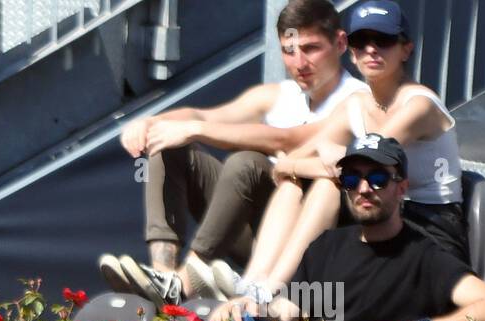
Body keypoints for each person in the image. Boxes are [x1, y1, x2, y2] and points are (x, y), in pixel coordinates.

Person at [102, 0, 366, 305]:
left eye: (311, 48)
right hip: (262, 236)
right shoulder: (278, 95)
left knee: (248, 163)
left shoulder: (358, 99)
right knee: (168, 144)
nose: (299, 62)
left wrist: (196, 129)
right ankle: (163, 276)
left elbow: (288, 139)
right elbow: (203, 116)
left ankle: (184, 283)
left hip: (311, 245)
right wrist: (149, 122)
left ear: (341, 43)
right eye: (289, 51)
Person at [214, 0, 468, 307]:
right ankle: (254, 283)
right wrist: (318, 156)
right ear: (351, 51)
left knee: (327, 186)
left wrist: (330, 157)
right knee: (295, 181)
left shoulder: (419, 104)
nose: (371, 50)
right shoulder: (356, 104)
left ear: (406, 49)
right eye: (362, 42)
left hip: (429, 227)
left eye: (384, 41)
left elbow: (370, 162)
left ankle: (274, 289)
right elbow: (286, 163)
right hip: (381, 209)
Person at [211, 136, 485, 321]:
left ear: (401, 188)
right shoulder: (326, 246)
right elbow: (286, 312)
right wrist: (249, 308)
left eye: (378, 178)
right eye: (351, 179)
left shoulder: (424, 255)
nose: (364, 188)